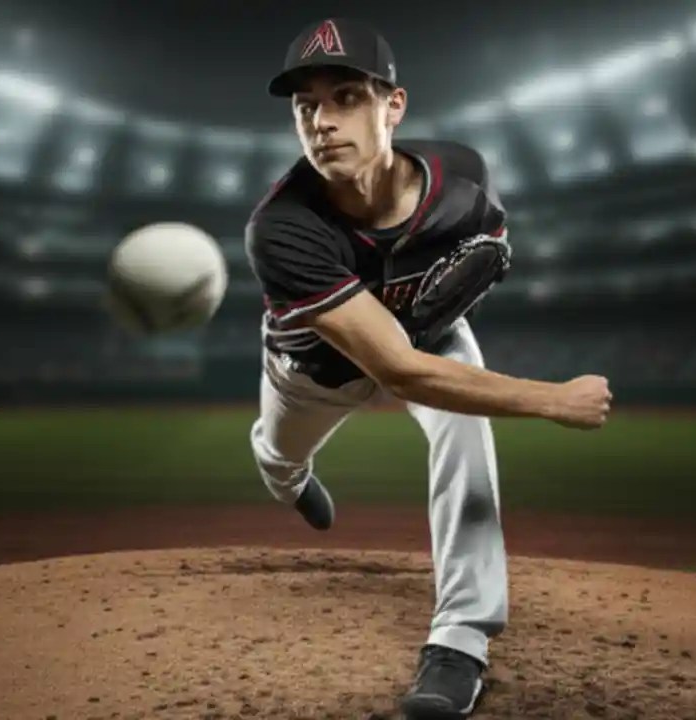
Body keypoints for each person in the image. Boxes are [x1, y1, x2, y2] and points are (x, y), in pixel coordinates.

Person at [245, 17, 613, 720]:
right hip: (312, 369)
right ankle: (287, 476)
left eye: (345, 96)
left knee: (465, 431)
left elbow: (488, 243)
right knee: (278, 454)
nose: (322, 121)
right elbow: (397, 370)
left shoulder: (463, 180)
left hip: (429, 334)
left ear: (394, 105)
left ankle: (461, 640)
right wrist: (550, 399)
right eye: (305, 106)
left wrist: (442, 309)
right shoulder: (281, 227)